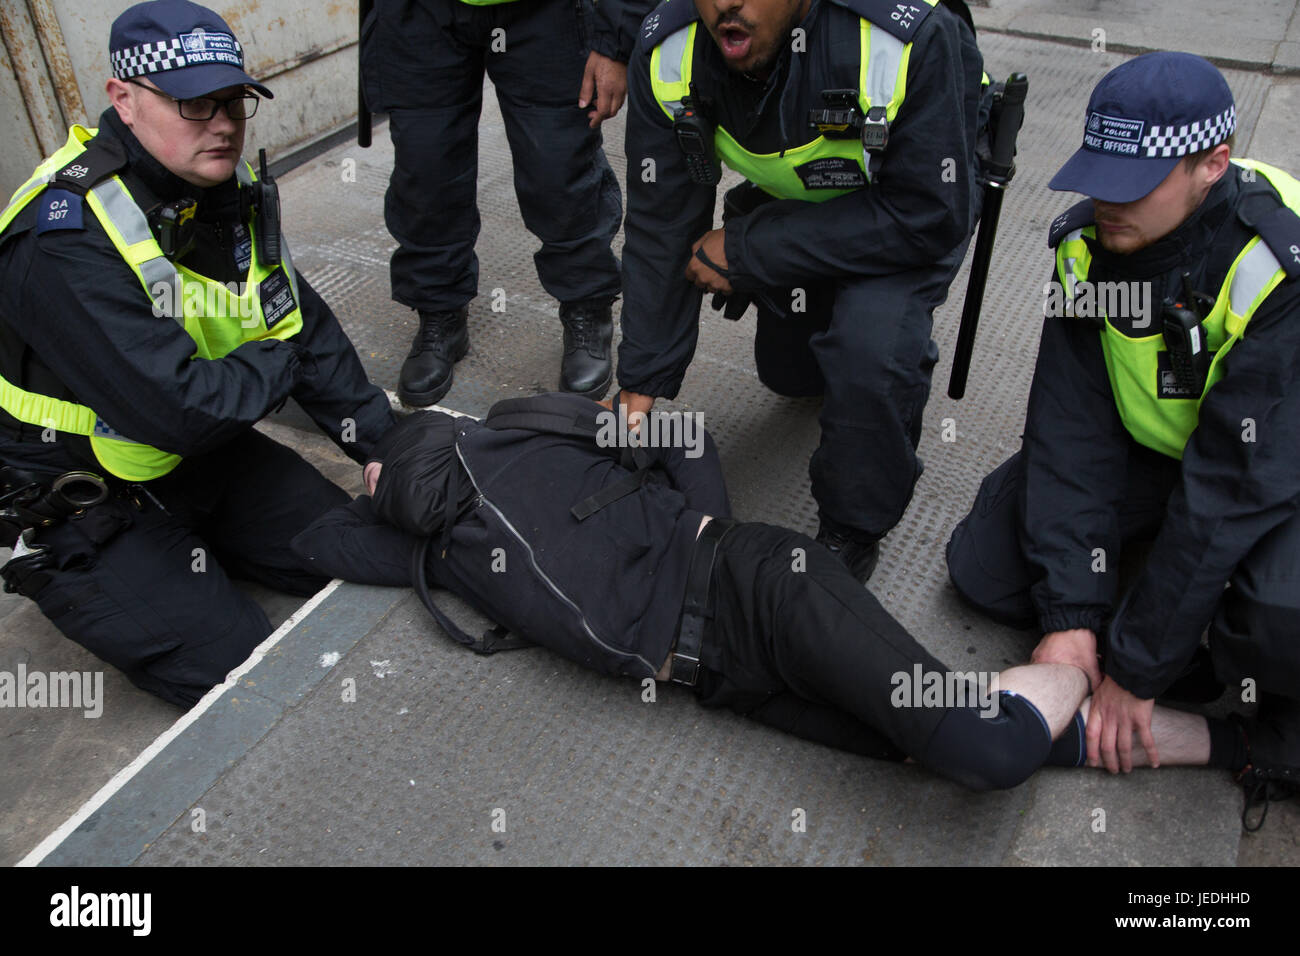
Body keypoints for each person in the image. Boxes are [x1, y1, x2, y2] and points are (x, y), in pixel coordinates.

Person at [294, 391, 1221, 792]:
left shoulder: (520, 431)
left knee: (980, 750)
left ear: (437, 441)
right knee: (917, 750)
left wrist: (710, 540)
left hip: (761, 589)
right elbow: (314, 541)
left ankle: (1076, 655)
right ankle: (1227, 743)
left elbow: (685, 432)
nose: (388, 487)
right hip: (719, 682)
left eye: (393, 473)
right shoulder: (439, 555)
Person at [0, 0, 395, 707]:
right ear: (123, 98)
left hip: (202, 453)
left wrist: (381, 444)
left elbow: (298, 320)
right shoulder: (60, 238)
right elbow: (177, 408)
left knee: (361, 551)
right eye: (194, 104)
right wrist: (281, 364)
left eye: (234, 103)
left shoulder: (221, 189)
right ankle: (60, 568)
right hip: (85, 488)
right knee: (242, 681)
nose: (221, 123)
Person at [946, 52, 1300, 825]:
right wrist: (1070, 623)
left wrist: (1134, 670)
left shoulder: (1277, 270)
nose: (1106, 201)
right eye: (1096, 173)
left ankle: (1268, 734)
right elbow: (1071, 432)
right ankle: (1158, 618)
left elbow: (1232, 487)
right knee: (988, 569)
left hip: (1274, 467)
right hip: (1170, 453)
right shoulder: (1089, 248)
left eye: (1131, 182)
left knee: (1274, 620)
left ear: (1213, 163)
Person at [613, 0, 987, 581]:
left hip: (912, 203)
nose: (726, 4)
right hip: (807, 198)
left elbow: (928, 214)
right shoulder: (669, 50)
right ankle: (823, 300)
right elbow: (662, 224)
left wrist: (749, 250)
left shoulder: (906, 39)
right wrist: (638, 387)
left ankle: (851, 530)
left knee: (869, 351)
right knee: (791, 376)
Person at [360, 0, 656, 407]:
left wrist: (616, 40)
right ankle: (439, 312)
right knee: (425, 167)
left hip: (544, 13)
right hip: (421, 13)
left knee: (558, 167)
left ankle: (586, 308)